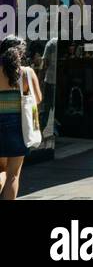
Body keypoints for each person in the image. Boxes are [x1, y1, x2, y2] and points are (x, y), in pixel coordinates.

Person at [0, 37, 40, 200]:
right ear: (21, 53)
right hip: (17, 126)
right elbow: (37, 99)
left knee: (1, 170)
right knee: (13, 175)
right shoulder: (26, 73)